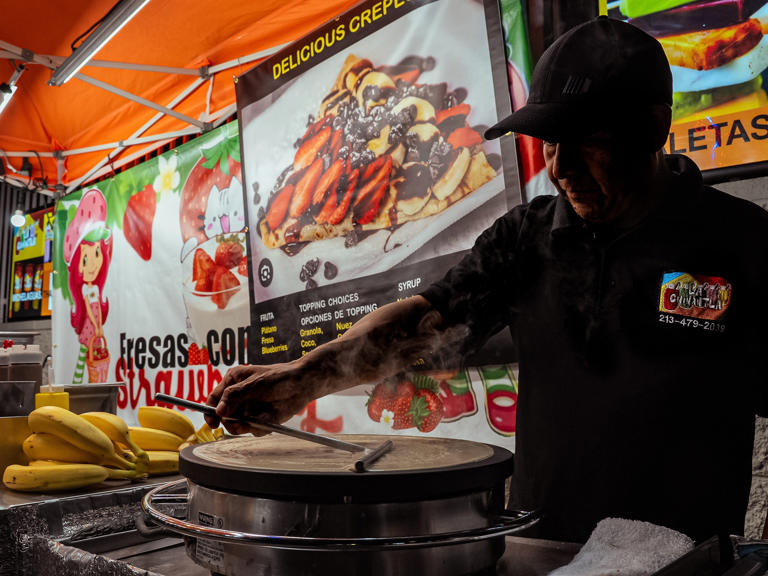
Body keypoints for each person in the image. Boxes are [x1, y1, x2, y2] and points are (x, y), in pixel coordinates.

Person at [206, 17, 768, 543]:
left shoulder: (742, 241)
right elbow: (422, 322)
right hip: (547, 554)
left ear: (654, 127)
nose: (560, 167)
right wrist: (303, 378)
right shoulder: (526, 238)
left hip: (685, 557)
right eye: (550, 141)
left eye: (585, 140)